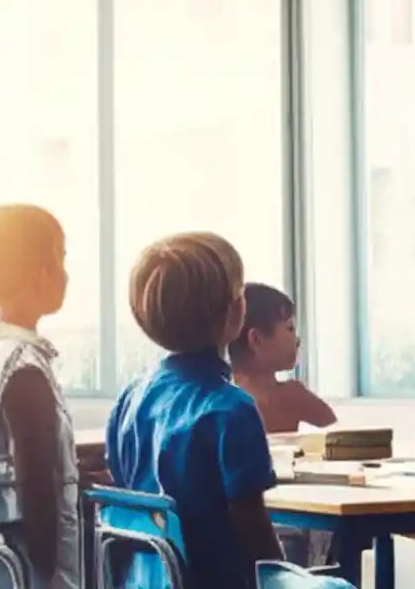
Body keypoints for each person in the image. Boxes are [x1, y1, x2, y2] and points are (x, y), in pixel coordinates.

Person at [107, 232, 283, 589]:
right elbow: (253, 531)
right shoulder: (231, 410)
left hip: (143, 580)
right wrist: (286, 577)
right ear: (237, 311)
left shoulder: (131, 397)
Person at [0, 205, 80, 589]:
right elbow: (35, 480)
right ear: (42, 274)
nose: (66, 274)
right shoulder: (23, 367)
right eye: (62, 259)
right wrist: (47, 569)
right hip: (28, 560)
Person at [229, 283, 335, 434]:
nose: (297, 340)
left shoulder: (218, 399)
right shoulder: (291, 397)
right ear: (256, 339)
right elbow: (341, 440)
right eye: (290, 328)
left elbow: (338, 435)